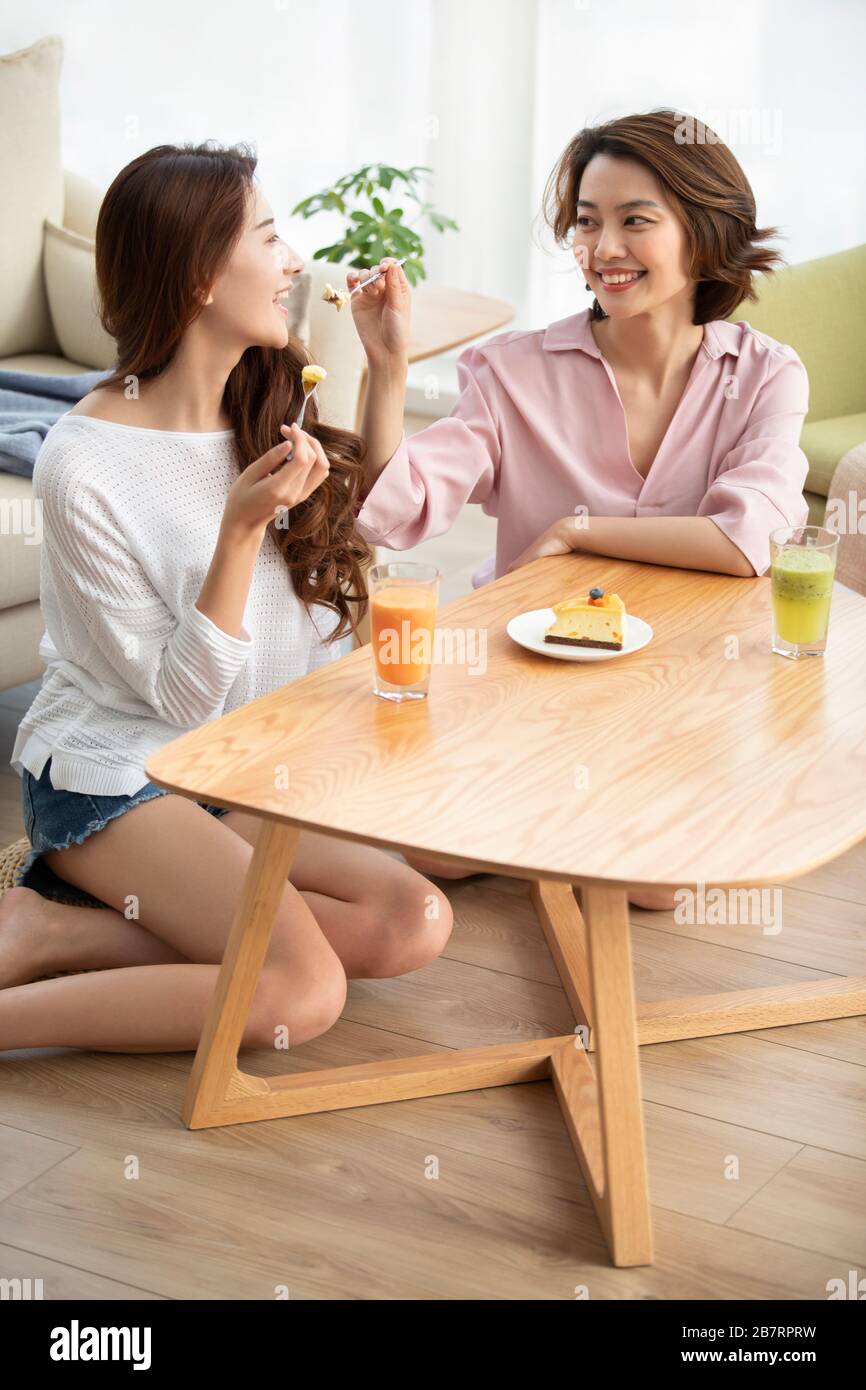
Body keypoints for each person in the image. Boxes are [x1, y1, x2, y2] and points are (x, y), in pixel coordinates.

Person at [0, 141, 453, 1051]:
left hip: (234, 769)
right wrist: (239, 533)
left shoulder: (262, 394)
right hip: (122, 775)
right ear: (201, 276)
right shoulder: (82, 466)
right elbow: (178, 698)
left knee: (414, 921)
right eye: (271, 239)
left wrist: (389, 369)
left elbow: (362, 535)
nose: (294, 264)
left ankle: (49, 930)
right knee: (298, 993)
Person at [348, 109, 811, 908]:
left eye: (637, 222)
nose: (604, 251)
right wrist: (387, 367)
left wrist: (576, 532)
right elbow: (395, 513)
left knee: (662, 889)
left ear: (703, 232)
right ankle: (540, 809)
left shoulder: (766, 374)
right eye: (588, 224)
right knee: (442, 858)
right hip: (531, 671)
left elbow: (748, 540)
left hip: (683, 678)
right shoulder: (512, 370)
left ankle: (551, 815)